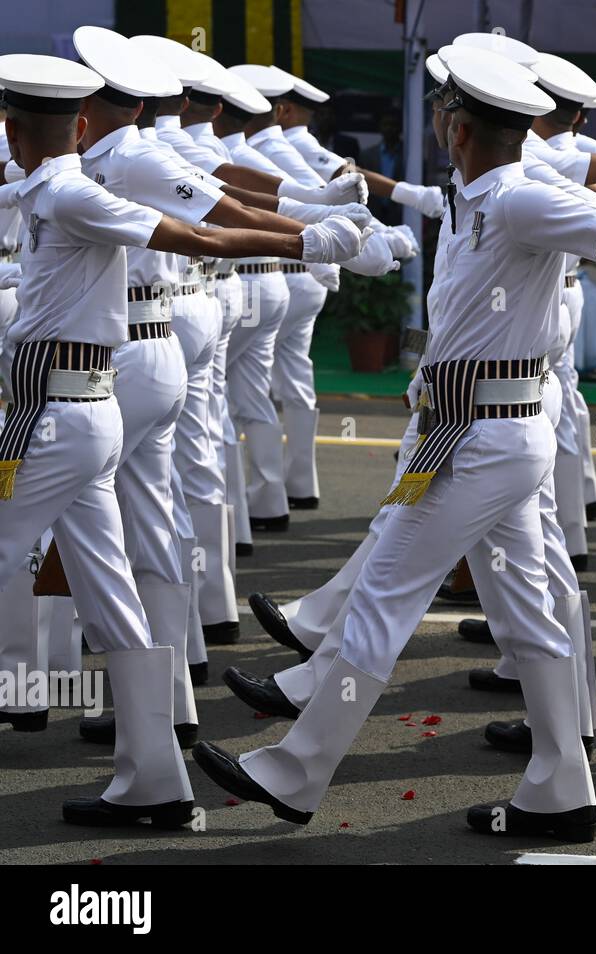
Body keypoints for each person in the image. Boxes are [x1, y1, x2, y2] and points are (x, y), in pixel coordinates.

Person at [190, 48, 596, 842]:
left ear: (454, 127)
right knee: (528, 614)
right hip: (478, 428)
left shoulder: (520, 199)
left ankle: (296, 766)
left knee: (382, 600)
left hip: (483, 435)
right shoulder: (479, 193)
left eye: (442, 115)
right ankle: (561, 784)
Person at [0, 51, 363, 825]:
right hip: (81, 405)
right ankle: (154, 778)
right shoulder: (46, 186)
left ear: (11, 125)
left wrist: (308, 240)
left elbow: (197, 233)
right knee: (109, 587)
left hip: (52, 410)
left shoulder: (70, 193)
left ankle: (24, 690)